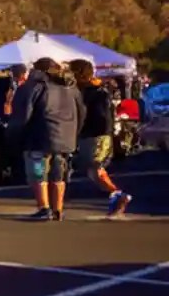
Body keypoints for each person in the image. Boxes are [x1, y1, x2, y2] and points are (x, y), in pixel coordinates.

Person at [8, 58, 85, 221]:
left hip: (39, 136)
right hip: (66, 137)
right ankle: (58, 209)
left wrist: (15, 134)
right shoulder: (71, 87)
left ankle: (44, 208)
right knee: (59, 173)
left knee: (38, 172)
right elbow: (81, 112)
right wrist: (74, 133)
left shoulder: (33, 87)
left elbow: (23, 114)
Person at [69, 60, 131, 218]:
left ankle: (117, 194)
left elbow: (101, 117)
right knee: (94, 170)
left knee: (95, 168)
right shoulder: (93, 90)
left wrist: (90, 129)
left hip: (96, 135)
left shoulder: (96, 92)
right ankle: (116, 195)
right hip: (95, 134)